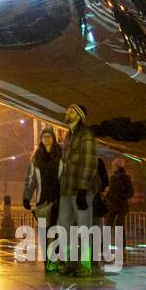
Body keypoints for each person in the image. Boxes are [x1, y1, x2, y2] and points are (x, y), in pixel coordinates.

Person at [57, 104, 98, 277]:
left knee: (83, 227)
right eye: (68, 110)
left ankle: (84, 263)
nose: (68, 113)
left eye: (72, 111)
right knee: (63, 226)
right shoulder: (69, 135)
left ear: (80, 116)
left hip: (81, 189)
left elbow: (90, 161)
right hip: (67, 189)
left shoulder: (86, 134)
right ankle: (69, 261)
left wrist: (83, 189)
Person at [23, 128, 63, 272]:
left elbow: (64, 178)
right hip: (41, 202)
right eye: (44, 136)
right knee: (44, 234)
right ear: (41, 139)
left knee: (57, 232)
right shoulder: (36, 160)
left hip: (58, 202)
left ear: (53, 138)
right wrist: (26, 197)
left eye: (49, 136)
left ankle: (54, 259)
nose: (46, 139)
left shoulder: (61, 157)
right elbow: (30, 180)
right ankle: (48, 263)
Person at [106, 157, 134, 259]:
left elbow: (130, 192)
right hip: (115, 205)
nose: (112, 167)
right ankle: (116, 246)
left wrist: (119, 197)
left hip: (119, 205)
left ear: (117, 166)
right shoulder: (114, 177)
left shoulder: (124, 178)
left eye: (113, 166)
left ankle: (119, 247)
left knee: (116, 226)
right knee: (113, 226)